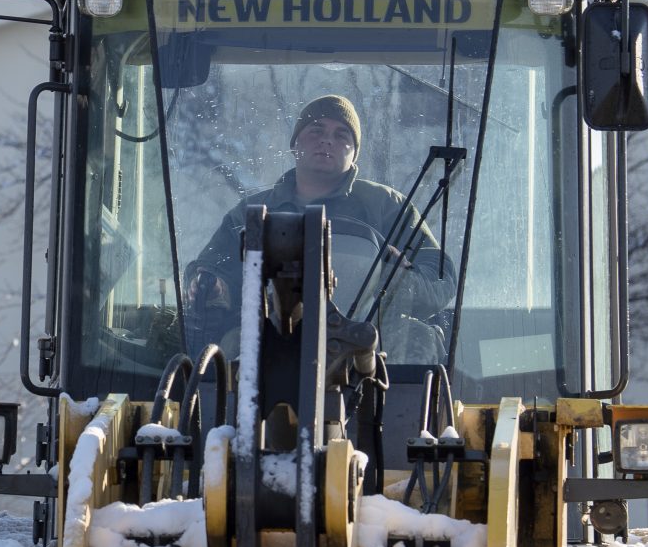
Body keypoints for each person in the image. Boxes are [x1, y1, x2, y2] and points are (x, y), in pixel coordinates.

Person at [180, 94, 452, 362]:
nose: (327, 140)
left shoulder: (385, 206)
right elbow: (213, 266)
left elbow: (439, 274)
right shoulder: (252, 211)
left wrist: (400, 277)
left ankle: (394, 407)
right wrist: (213, 285)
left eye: (341, 135)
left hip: (368, 338)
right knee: (228, 347)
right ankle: (232, 406)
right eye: (316, 130)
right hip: (270, 334)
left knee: (419, 339)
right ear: (294, 143)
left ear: (354, 152)